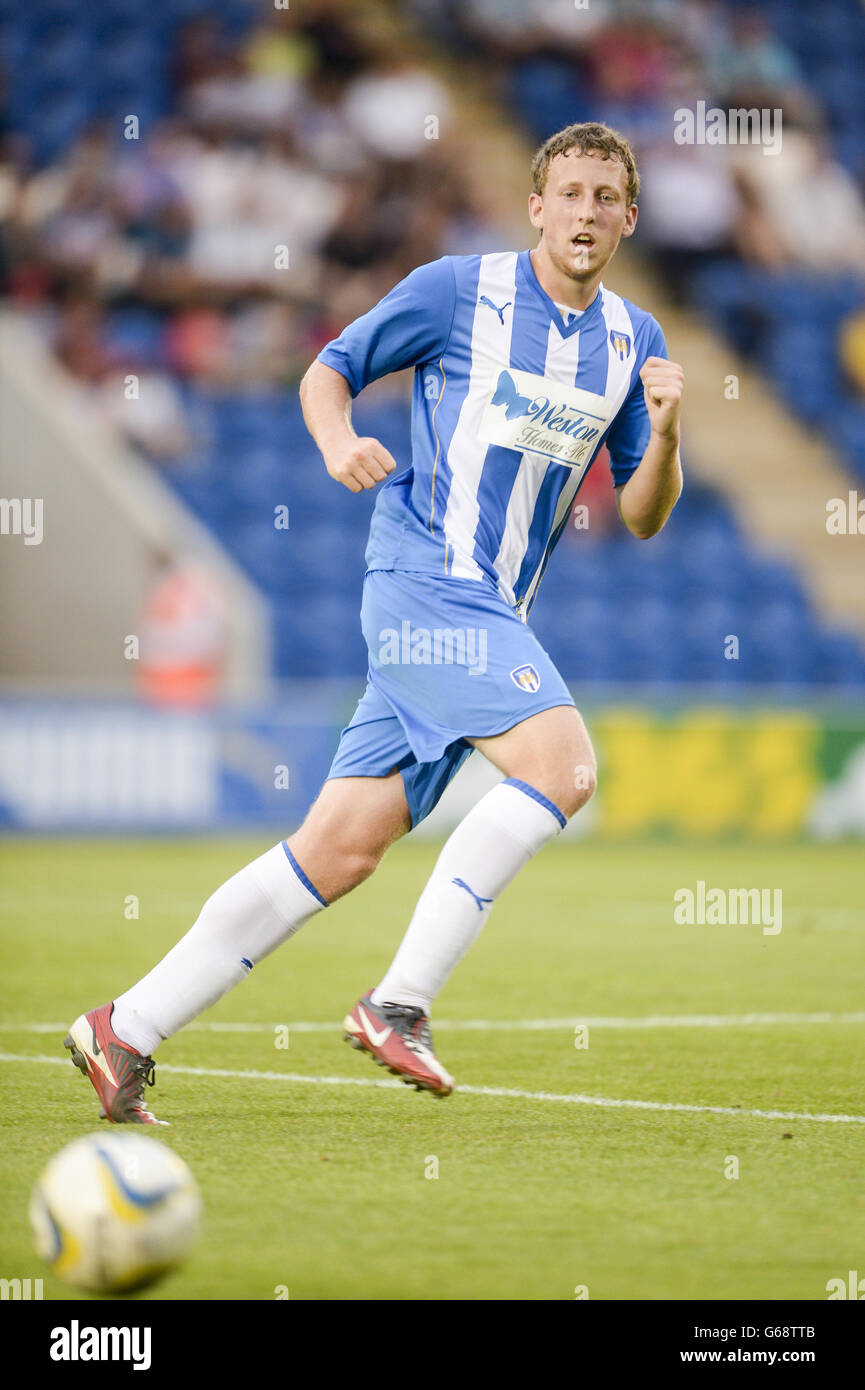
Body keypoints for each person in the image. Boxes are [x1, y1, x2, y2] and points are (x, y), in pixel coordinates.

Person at [65, 121, 684, 1123]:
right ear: (535, 206)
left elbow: (647, 513)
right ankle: (398, 1002)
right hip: (425, 582)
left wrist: (667, 432)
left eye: (604, 198)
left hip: (487, 605)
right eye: (567, 194)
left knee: (339, 848)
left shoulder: (633, 342)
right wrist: (335, 438)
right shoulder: (455, 290)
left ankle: (123, 1026)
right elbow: (327, 368)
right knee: (563, 766)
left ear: (628, 217)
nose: (584, 213)